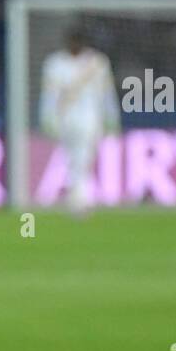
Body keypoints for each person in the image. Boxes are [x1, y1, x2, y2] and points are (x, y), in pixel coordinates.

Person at [38, 24, 119, 215]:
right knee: (75, 159)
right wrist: (47, 116)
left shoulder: (97, 62)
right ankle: (79, 200)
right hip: (65, 117)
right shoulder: (55, 63)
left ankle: (78, 201)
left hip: (91, 116)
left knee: (83, 159)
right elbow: (49, 94)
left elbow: (107, 93)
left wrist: (111, 116)